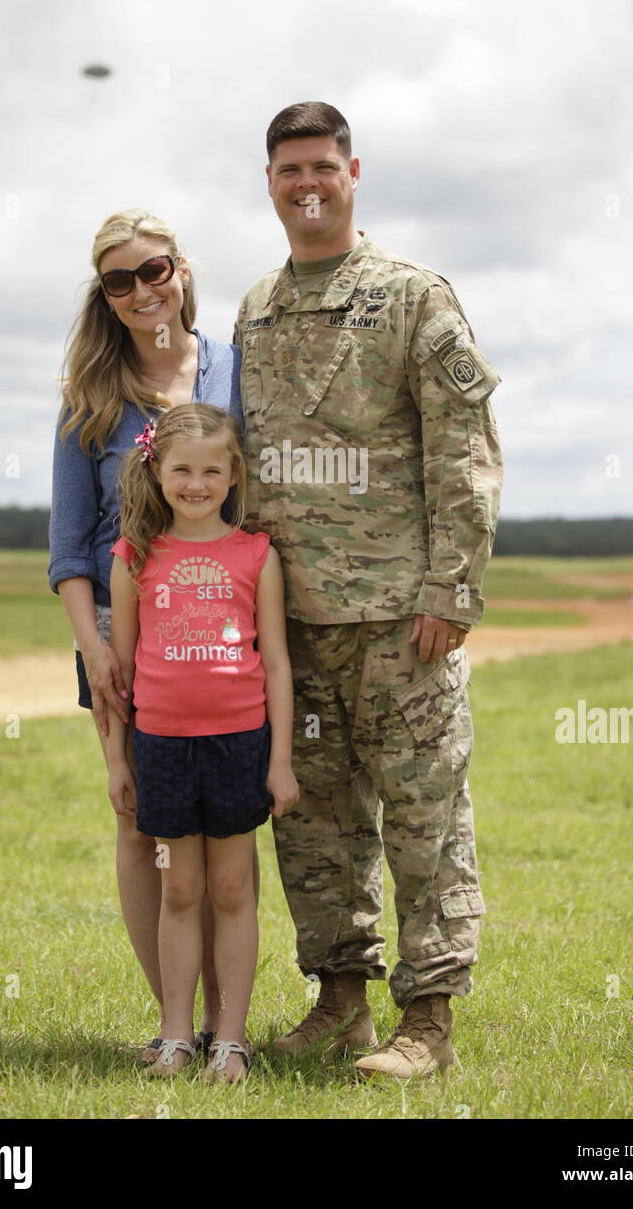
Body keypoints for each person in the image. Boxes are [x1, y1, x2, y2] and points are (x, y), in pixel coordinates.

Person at [233, 102, 504, 1080]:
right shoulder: (255, 307)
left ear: (352, 172)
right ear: (267, 182)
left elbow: (463, 455)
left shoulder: (410, 297)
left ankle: (424, 1021)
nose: (304, 183)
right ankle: (337, 1002)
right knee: (310, 820)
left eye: (321, 165)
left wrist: (450, 591)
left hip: (403, 621)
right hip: (291, 627)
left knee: (424, 815)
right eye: (285, 169)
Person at [47, 208, 254, 1064]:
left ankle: (226, 1029)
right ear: (104, 295)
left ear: (180, 271)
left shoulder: (236, 369)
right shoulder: (89, 398)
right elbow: (68, 544)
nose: (141, 291)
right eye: (119, 280)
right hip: (119, 629)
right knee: (142, 823)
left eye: (154, 271)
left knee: (222, 832)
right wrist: (95, 650)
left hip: (220, 621)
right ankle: (180, 1024)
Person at [106, 404, 297, 1082]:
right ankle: (177, 1035)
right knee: (180, 888)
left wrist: (280, 764)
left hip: (239, 744)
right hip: (161, 746)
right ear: (157, 471)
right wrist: (116, 761)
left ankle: (232, 1041)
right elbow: (120, 675)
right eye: (182, 469)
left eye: (211, 470)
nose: (196, 483)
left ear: (233, 473)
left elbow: (275, 662)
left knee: (231, 887)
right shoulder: (133, 557)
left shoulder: (256, 553)